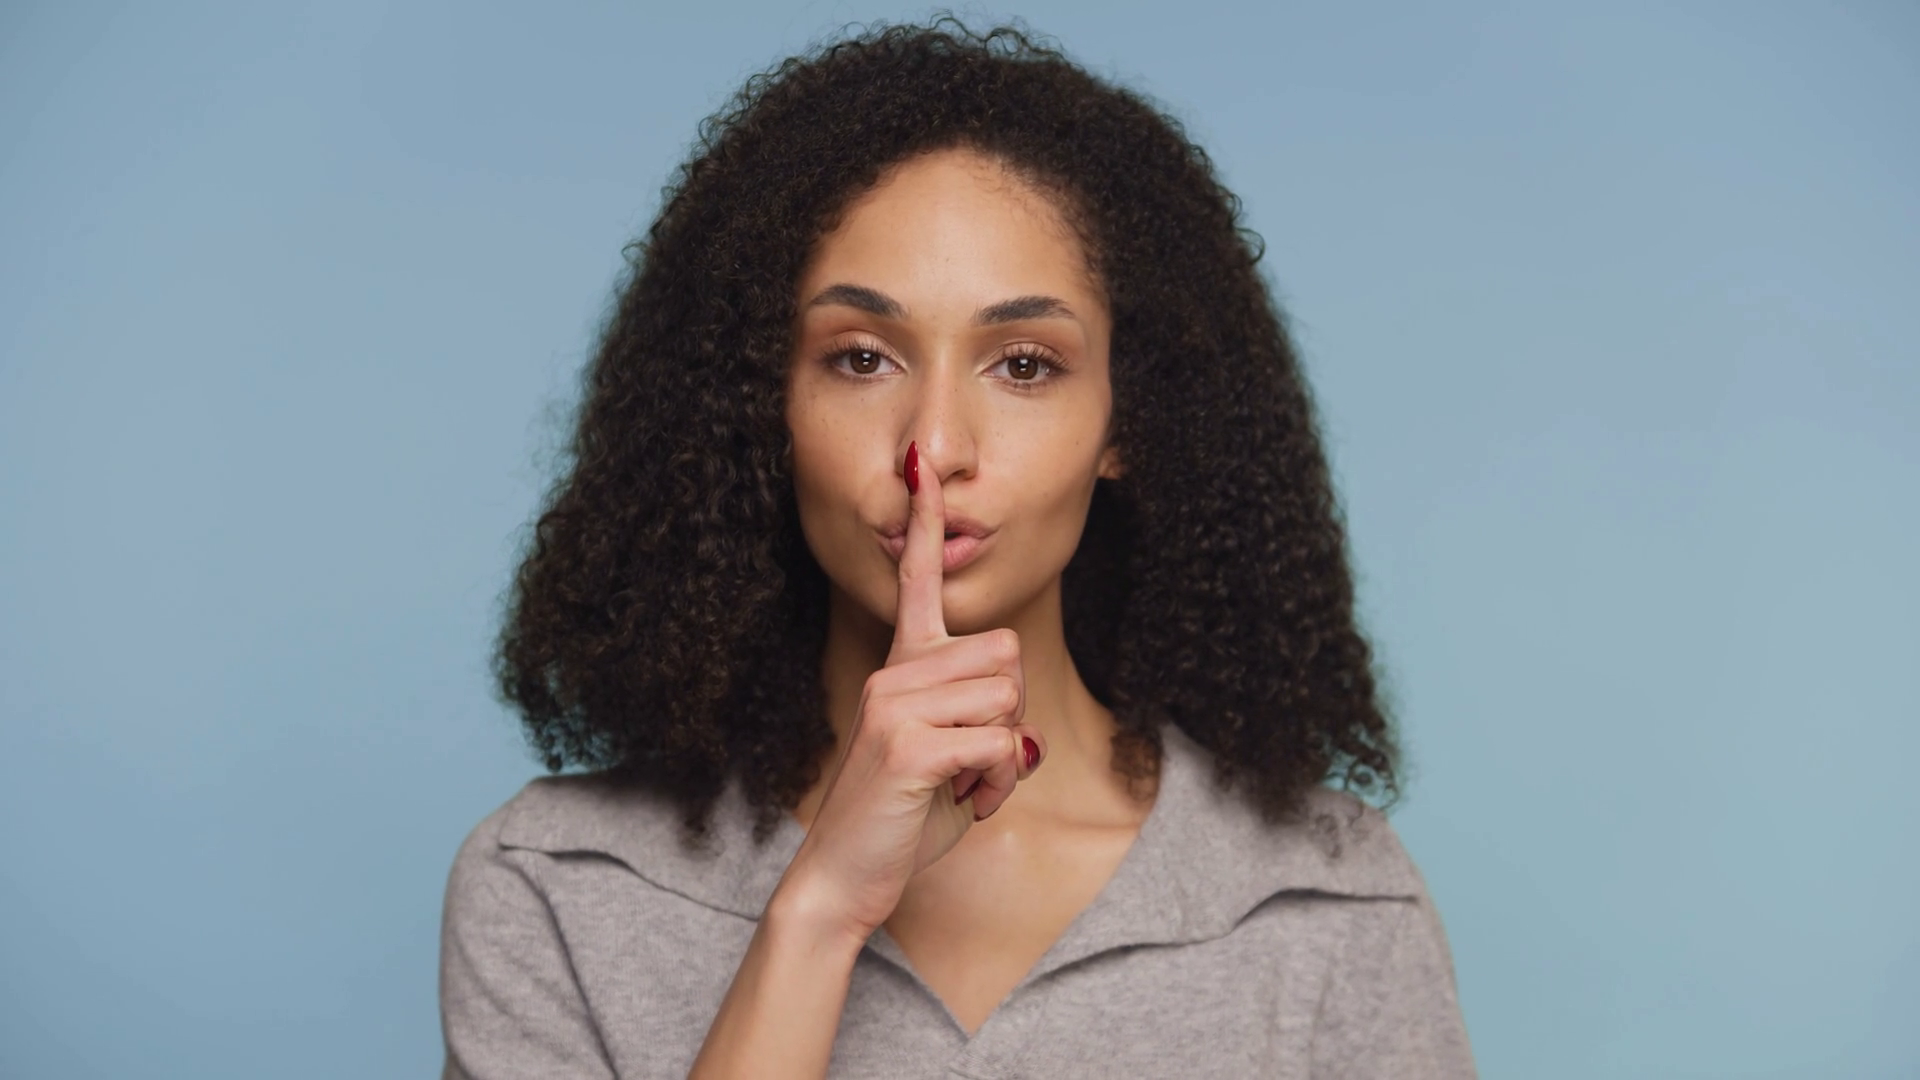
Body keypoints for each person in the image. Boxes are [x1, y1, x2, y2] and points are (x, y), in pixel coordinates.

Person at [438, 15, 1476, 1079]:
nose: (933, 447)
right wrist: (822, 908)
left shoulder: (1325, 899)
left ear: (1128, 422)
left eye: (1024, 365)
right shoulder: (558, 886)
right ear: (761, 401)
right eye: (860, 359)